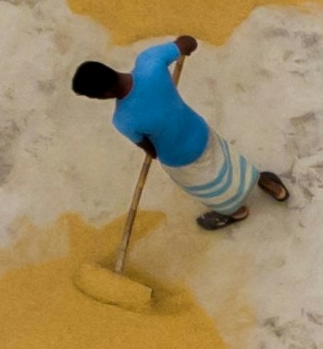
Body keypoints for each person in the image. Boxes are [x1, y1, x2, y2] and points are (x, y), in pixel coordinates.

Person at [71, 35, 292, 233]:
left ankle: (237, 212)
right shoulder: (150, 62)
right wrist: (179, 46)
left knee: (211, 187)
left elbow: (151, 150)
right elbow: (189, 43)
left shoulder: (123, 120)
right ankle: (269, 185)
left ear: (104, 94)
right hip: (200, 132)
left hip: (180, 160)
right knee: (229, 164)